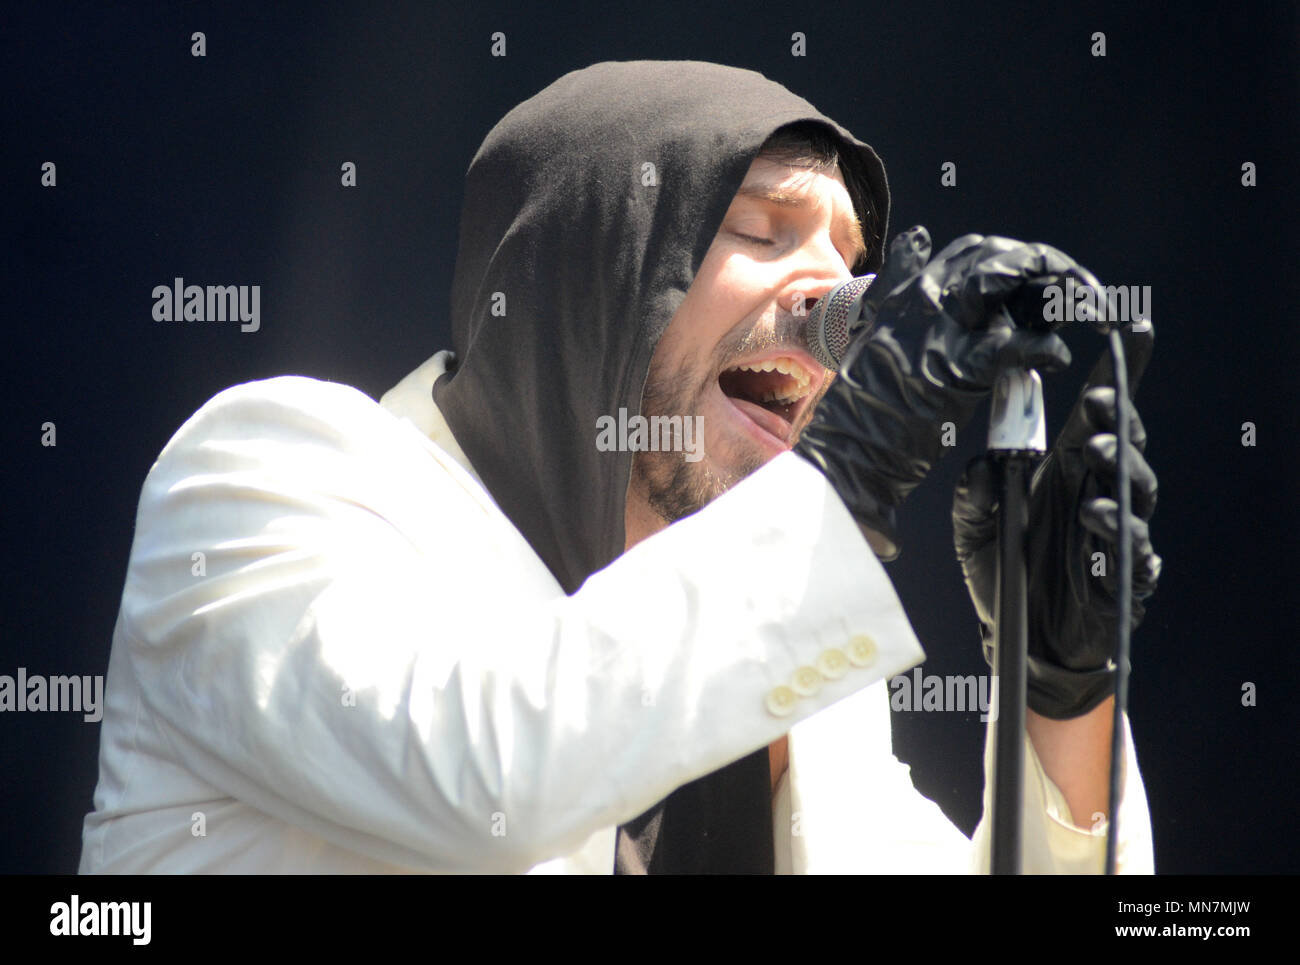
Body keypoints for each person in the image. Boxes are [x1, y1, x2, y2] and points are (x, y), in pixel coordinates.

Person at [78, 60, 1159, 874]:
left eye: (849, 264)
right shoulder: (272, 474)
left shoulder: (802, 711)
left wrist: (1061, 698)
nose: (833, 301)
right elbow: (488, 770)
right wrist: (853, 468)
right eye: (766, 229)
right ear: (593, 270)